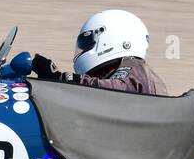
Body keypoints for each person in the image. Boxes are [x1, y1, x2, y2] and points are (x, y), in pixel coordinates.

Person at [31, 9, 167, 95]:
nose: (84, 48)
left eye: (87, 43)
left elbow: (115, 91)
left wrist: (60, 78)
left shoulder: (133, 67)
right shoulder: (122, 69)